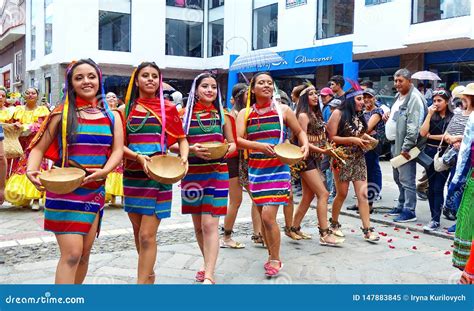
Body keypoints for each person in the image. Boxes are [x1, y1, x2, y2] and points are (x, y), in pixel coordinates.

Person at [26, 59, 124, 284]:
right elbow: (38, 147)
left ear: (99, 80)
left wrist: (104, 172)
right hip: (64, 190)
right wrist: (32, 171)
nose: (86, 81)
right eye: (79, 78)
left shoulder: (112, 116)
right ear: (70, 83)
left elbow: (118, 150)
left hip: (95, 191)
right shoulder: (61, 114)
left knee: (84, 255)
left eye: (91, 76)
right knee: (71, 255)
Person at [236, 72, 309, 277]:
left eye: (270, 83)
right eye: (261, 82)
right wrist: (258, 145)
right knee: (263, 215)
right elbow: (239, 140)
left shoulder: (283, 110)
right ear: (253, 88)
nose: (266, 85)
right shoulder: (245, 113)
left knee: (268, 216)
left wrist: (305, 146)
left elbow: (300, 132)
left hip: (279, 169)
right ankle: (271, 252)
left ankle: (275, 259)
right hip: (256, 170)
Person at [121, 62, 188, 284]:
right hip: (132, 175)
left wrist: (184, 158)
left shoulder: (168, 108)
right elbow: (118, 145)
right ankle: (148, 275)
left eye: (155, 76)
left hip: (160, 174)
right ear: (136, 80)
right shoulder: (124, 110)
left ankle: (141, 286)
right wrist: (138, 157)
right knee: (137, 231)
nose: (150, 79)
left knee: (147, 235)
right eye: (145, 75)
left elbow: (181, 139)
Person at [181, 73, 236, 284]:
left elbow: (233, 144)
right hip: (192, 175)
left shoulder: (223, 115)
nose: (210, 90)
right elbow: (173, 144)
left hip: (217, 173)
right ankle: (207, 263)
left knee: (209, 225)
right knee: (198, 226)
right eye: (205, 86)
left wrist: (223, 151)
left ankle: (210, 276)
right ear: (196, 89)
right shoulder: (183, 115)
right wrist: (191, 149)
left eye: (213, 87)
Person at [291, 84, 344, 246]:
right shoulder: (303, 116)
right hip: (306, 159)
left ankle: (293, 228)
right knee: (324, 194)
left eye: (316, 93)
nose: (315, 96)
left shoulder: (315, 114)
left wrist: (327, 148)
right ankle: (324, 233)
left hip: (316, 158)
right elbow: (302, 141)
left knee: (308, 196)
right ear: (304, 98)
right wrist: (325, 151)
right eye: (311, 94)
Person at [327, 82, 380, 243]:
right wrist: (352, 139)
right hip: (341, 157)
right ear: (350, 100)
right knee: (341, 193)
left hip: (358, 157)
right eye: (359, 99)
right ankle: (334, 223)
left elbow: (361, 133)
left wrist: (367, 139)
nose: (362, 102)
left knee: (362, 194)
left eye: (363, 99)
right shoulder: (338, 113)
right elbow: (331, 137)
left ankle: (367, 229)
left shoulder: (359, 115)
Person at [385, 69, 427, 222]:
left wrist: (406, 147)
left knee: (407, 179)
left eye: (400, 81)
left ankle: (409, 211)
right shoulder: (399, 96)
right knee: (398, 177)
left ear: (410, 81)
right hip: (395, 144)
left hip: (405, 146)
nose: (397, 84)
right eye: (395, 81)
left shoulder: (415, 98)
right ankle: (402, 204)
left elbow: (413, 127)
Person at [6, 87, 50, 210]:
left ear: (37, 95)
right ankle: (24, 197)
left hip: (37, 144)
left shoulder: (42, 110)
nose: (31, 95)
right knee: (21, 169)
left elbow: (45, 125)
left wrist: (33, 127)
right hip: (22, 144)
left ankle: (36, 198)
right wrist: (16, 125)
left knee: (36, 168)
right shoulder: (18, 110)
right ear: (24, 96)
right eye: (28, 93)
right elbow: (11, 124)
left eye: (33, 93)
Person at [419, 89, 454, 231]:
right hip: (429, 153)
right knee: (430, 187)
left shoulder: (452, 117)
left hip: (444, 154)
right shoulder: (431, 116)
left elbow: (447, 136)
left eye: (439, 100)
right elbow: (422, 132)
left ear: (447, 102)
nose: (436, 103)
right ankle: (434, 216)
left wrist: (430, 136)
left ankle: (436, 219)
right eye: (434, 101)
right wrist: (429, 115)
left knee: (439, 187)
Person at [347, 88, 385, 212]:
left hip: (372, 145)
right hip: (363, 144)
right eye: (364, 97)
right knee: (362, 175)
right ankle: (360, 203)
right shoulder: (362, 111)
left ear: (375, 98)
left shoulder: (377, 111)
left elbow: (365, 129)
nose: (366, 99)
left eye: (369, 97)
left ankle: (369, 205)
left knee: (371, 173)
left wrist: (360, 129)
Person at [220, 83, 248, 249]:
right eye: (247, 94)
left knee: (247, 199)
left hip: (245, 160)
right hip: (234, 161)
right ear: (240, 96)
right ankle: (226, 236)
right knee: (236, 200)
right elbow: (235, 142)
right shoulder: (233, 114)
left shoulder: (245, 112)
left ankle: (259, 234)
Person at [104, 91, 123, 205]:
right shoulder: (103, 113)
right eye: (108, 97)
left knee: (120, 171)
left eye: (114, 97)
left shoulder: (121, 112)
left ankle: (122, 198)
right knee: (110, 170)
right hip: (107, 147)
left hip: (120, 145)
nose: (111, 99)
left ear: (117, 100)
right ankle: (112, 197)